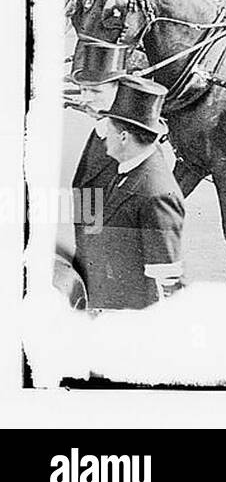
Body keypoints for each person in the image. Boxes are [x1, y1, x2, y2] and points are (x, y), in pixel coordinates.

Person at [77, 75, 185, 310]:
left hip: (131, 316)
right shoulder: (129, 165)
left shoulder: (156, 194)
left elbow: (166, 282)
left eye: (110, 132)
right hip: (107, 293)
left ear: (124, 137)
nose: (105, 142)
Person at [66, 39, 130, 307]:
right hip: (93, 267)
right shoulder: (99, 129)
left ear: (119, 90)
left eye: (95, 91)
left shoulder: (128, 143)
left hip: (119, 278)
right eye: (82, 90)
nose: (86, 99)